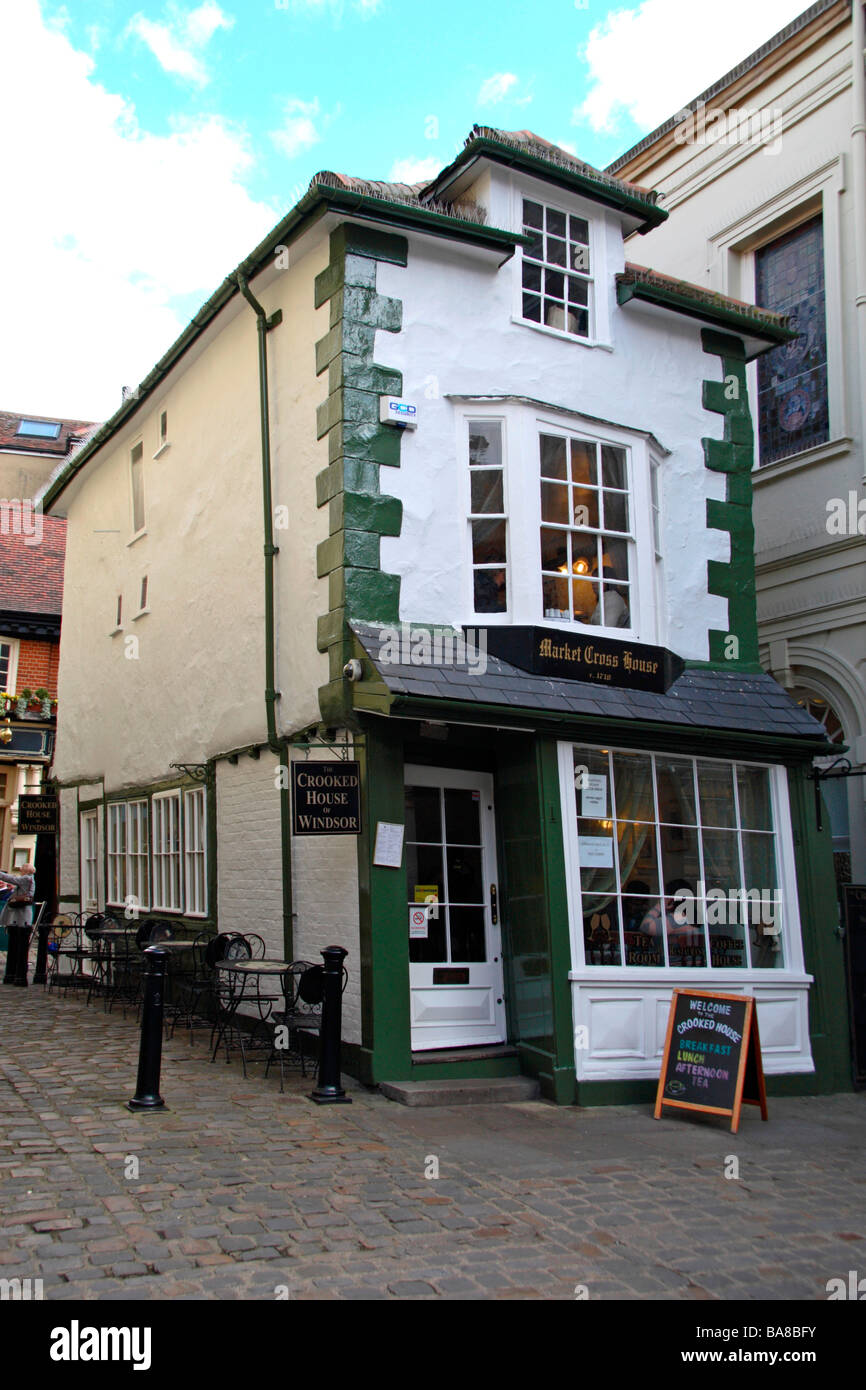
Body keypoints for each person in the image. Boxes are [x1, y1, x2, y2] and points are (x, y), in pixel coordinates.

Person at [0, 863, 36, 987]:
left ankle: (17, 976)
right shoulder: (28, 879)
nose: (20, 871)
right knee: (15, 945)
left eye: (21, 869)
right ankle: (13, 975)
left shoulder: (26, 879)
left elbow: (11, 879)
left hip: (22, 919)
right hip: (19, 919)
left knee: (19, 947)